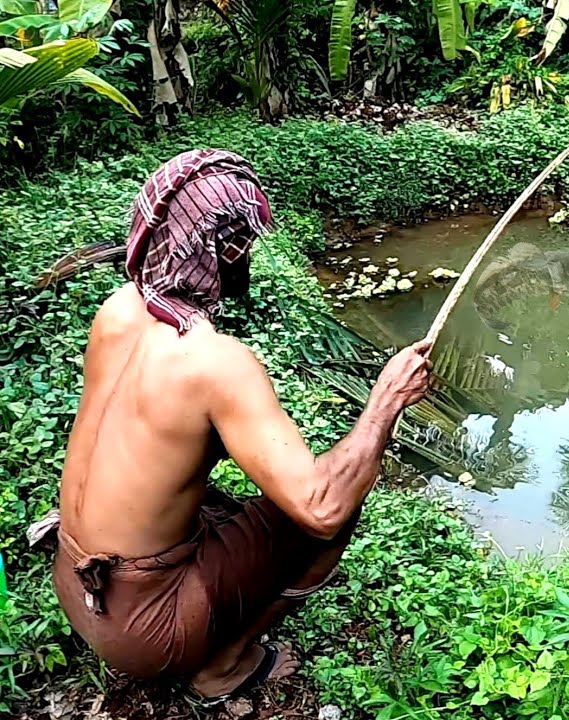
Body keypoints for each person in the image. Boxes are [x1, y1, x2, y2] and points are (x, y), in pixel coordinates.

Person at [50, 149, 433, 701]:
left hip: (77, 581)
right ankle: (222, 666)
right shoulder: (214, 362)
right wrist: (385, 402)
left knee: (222, 503)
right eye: (244, 245)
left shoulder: (118, 309)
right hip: (144, 631)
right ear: (223, 251)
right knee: (332, 509)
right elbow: (321, 508)